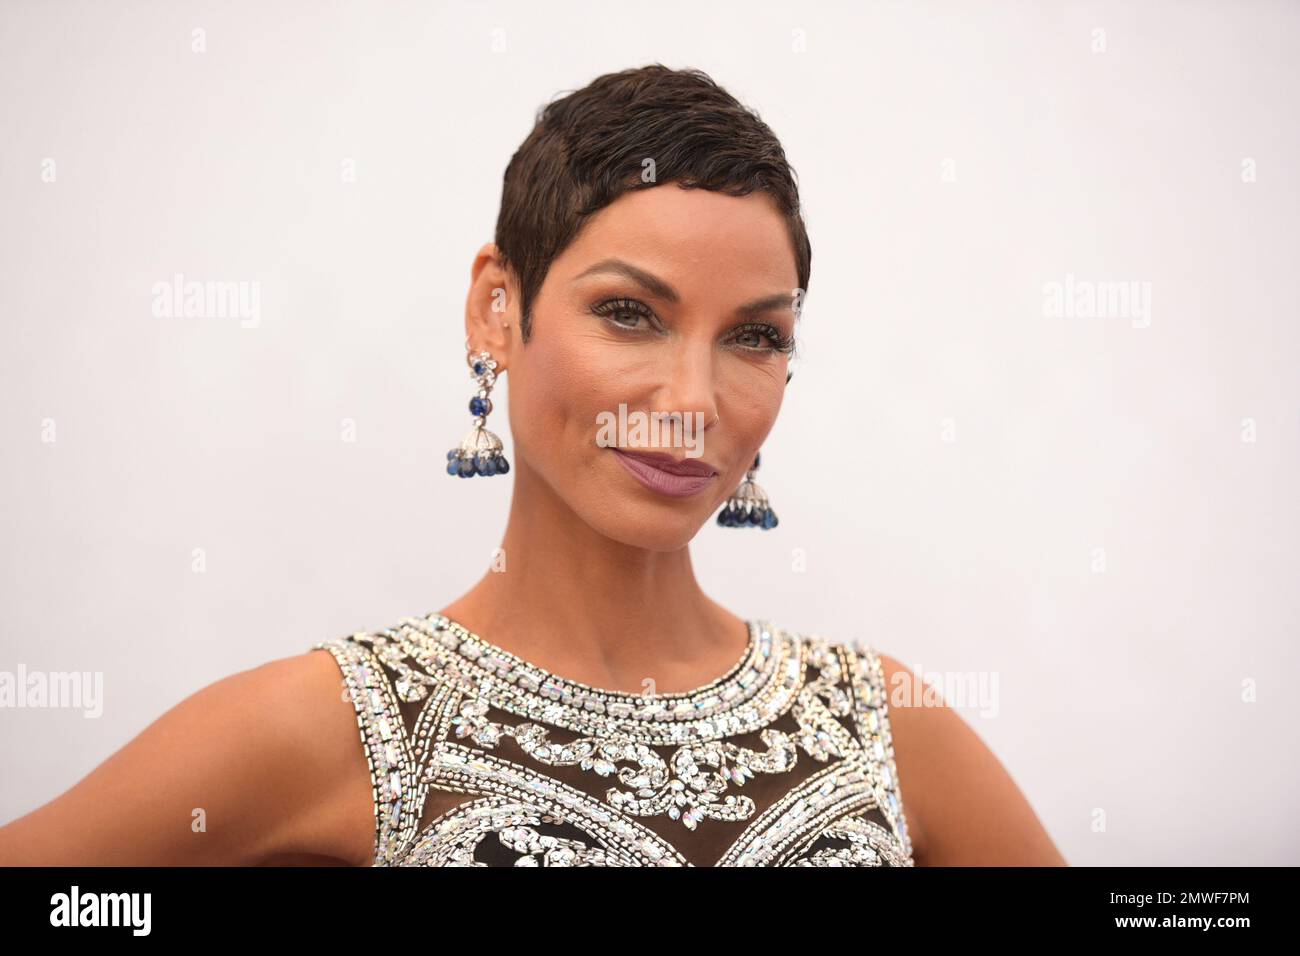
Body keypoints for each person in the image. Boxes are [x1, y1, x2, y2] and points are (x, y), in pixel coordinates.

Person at [0, 64, 1065, 867]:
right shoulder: (333, 724)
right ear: (497, 310)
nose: (692, 404)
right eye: (628, 314)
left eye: (753, 336)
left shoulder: (877, 720)